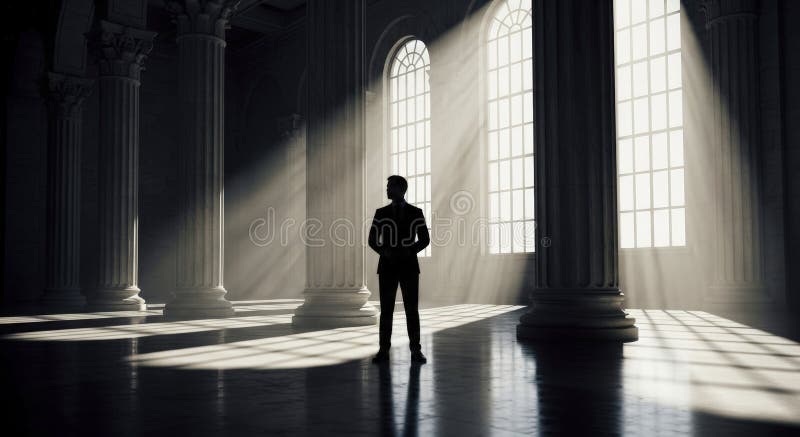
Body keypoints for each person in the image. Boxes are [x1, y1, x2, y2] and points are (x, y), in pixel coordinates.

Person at [368, 175, 430, 364]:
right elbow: (372, 240)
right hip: (388, 266)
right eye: (387, 187)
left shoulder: (416, 212)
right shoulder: (380, 213)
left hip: (408, 267)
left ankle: (415, 351)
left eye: (390, 187)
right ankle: (383, 350)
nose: (387, 190)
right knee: (386, 311)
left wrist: (409, 251)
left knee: (412, 310)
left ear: (401, 189)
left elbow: (425, 239)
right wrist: (384, 252)